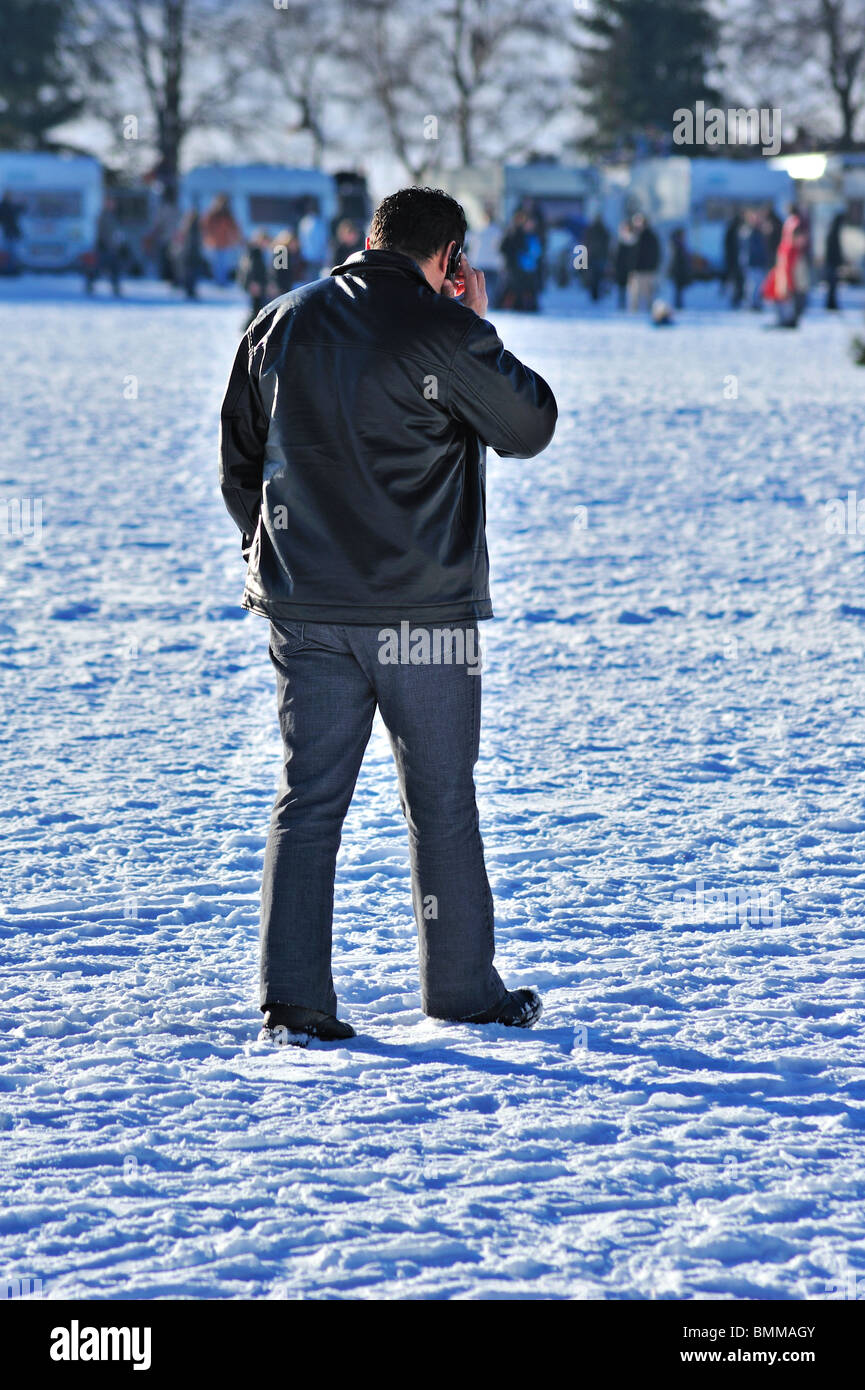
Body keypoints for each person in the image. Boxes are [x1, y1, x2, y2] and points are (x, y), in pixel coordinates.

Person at [218, 186, 558, 1044]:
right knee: (440, 800)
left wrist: (284, 558)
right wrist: (481, 328)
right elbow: (529, 425)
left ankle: (293, 1000)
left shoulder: (280, 321)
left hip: (307, 609)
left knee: (308, 799)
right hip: (425, 618)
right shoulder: (443, 330)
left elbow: (242, 464)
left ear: (366, 241)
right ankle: (462, 991)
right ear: (449, 260)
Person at [84, 196, 124, 296]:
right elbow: (102, 231)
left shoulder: (112, 216)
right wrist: (104, 243)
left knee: (113, 267)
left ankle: (115, 287)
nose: (112, 205)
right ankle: (90, 284)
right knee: (99, 267)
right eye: (110, 203)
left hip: (110, 247)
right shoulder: (103, 215)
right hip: (103, 246)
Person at [201, 194, 241, 287]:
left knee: (223, 264)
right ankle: (218, 281)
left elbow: (234, 228)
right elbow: (205, 226)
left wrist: (236, 239)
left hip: (225, 243)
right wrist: (207, 238)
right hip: (214, 242)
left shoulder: (228, 214)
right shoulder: (212, 214)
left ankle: (222, 282)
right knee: (217, 264)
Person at [470, 204, 504, 307]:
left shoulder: (479, 230)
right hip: (492, 264)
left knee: (481, 289)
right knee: (490, 290)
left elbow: (472, 246)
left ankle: (485, 306)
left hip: (481, 263)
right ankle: (489, 306)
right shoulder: (497, 231)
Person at [627, 213, 660, 313]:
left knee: (648, 295)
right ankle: (633, 315)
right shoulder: (634, 236)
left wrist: (653, 266)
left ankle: (650, 313)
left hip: (648, 271)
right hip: (636, 271)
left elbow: (656, 253)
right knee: (634, 296)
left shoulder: (650, 237)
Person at [237, 229, 270, 327]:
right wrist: (253, 283)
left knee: (257, 309)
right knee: (256, 310)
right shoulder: (255, 252)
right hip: (255, 284)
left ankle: (250, 328)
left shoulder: (257, 251)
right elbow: (251, 268)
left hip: (257, 284)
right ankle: (247, 328)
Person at [298, 197, 329, 279]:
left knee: (312, 278)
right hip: (315, 256)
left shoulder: (305, 222)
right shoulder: (319, 222)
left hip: (310, 256)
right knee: (314, 278)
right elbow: (323, 239)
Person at [177, 208, 203, 300]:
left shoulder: (187, 227)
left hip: (188, 254)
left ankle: (189, 290)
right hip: (191, 254)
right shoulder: (193, 228)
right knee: (191, 274)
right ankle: (190, 290)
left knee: (189, 274)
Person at [268, 227, 302, 297]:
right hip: (281, 288)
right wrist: (281, 287)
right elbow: (278, 272)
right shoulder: (282, 252)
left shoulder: (288, 253)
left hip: (285, 287)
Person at [744, 210, 768, 310]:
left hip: (759, 263)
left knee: (759, 286)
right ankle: (753, 304)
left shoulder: (759, 232)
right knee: (753, 286)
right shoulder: (750, 232)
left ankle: (756, 303)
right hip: (753, 263)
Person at [584, 214, 610, 301]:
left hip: (592, 256)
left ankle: (594, 294)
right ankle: (597, 293)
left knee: (593, 277)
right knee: (599, 276)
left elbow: (585, 242)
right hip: (600, 257)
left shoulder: (590, 230)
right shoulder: (604, 230)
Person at [824, 210, 845, 311]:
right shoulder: (834, 231)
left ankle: (831, 303)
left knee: (833, 285)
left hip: (831, 262)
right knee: (832, 285)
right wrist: (839, 261)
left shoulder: (832, 230)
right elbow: (835, 249)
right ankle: (831, 304)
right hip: (832, 263)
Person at [723, 211, 744, 307]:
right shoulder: (733, 230)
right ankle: (735, 299)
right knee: (735, 281)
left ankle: (736, 299)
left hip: (732, 260)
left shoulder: (730, 229)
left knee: (735, 281)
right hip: (733, 261)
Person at [0, 190, 24, 273]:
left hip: (10, 232)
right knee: (10, 250)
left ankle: (11, 267)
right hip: (9, 232)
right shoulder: (5, 206)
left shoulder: (9, 206)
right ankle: (10, 268)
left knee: (11, 250)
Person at [668, 227, 691, 310]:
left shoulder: (679, 245)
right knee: (678, 291)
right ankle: (678, 307)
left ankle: (679, 306)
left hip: (680, 271)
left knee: (679, 291)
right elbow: (675, 260)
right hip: (678, 271)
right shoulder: (676, 245)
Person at [613, 219, 634, 310]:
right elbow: (615, 256)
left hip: (631, 268)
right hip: (621, 268)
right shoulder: (619, 241)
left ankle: (629, 305)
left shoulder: (634, 240)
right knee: (621, 288)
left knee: (631, 289)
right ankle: (622, 304)